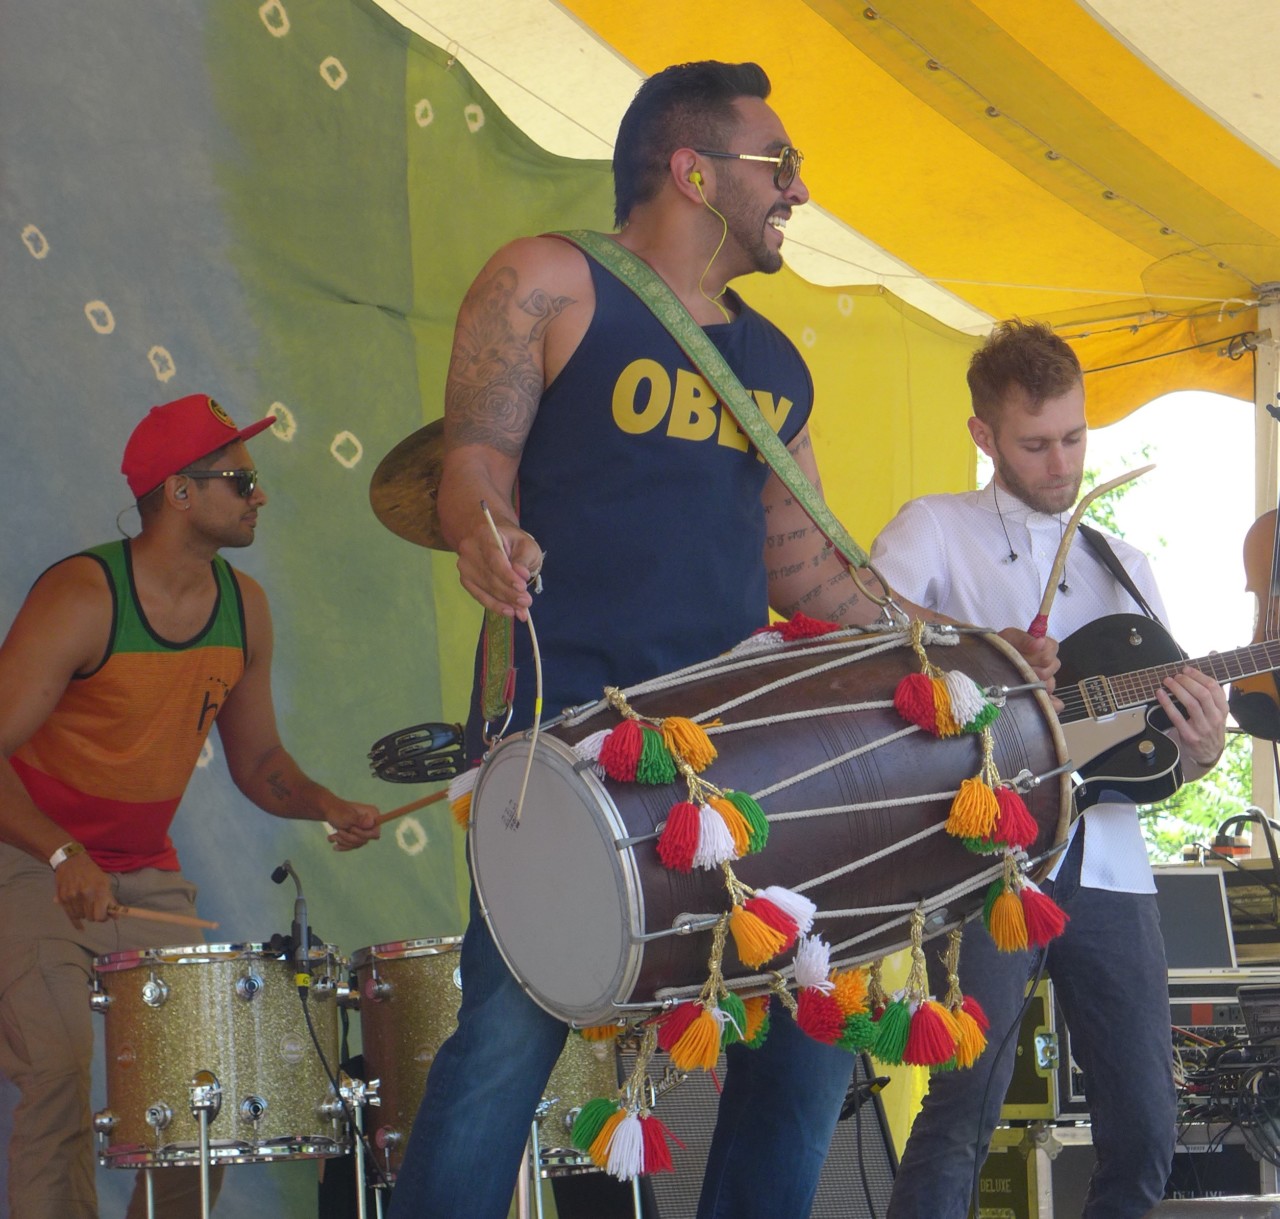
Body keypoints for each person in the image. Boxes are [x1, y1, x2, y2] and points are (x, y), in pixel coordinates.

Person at [387, 62, 1057, 1219]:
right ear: (692, 170)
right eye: (777, 162)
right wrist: (484, 534)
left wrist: (968, 648)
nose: (798, 185)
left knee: (800, 1053)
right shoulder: (546, 281)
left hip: (744, 766)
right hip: (572, 743)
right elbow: (471, 465)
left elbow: (811, 574)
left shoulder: (773, 367)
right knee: (504, 1045)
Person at [871, 320, 1229, 1219]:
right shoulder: (934, 529)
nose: (1061, 462)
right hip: (984, 861)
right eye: (1034, 443)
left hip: (1109, 864)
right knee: (962, 1111)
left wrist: (1200, 750)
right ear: (983, 435)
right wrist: (987, 661)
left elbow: (1148, 758)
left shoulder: (1127, 564)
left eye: (1074, 437)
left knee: (1148, 1124)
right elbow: (866, 642)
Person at [0, 393, 381, 1219]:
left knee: (210, 1092)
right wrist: (64, 854)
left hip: (140, 871)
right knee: (59, 1073)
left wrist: (323, 802)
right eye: (241, 480)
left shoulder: (244, 606)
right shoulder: (83, 595)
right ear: (179, 492)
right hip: (29, 859)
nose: (260, 494)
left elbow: (260, 762)